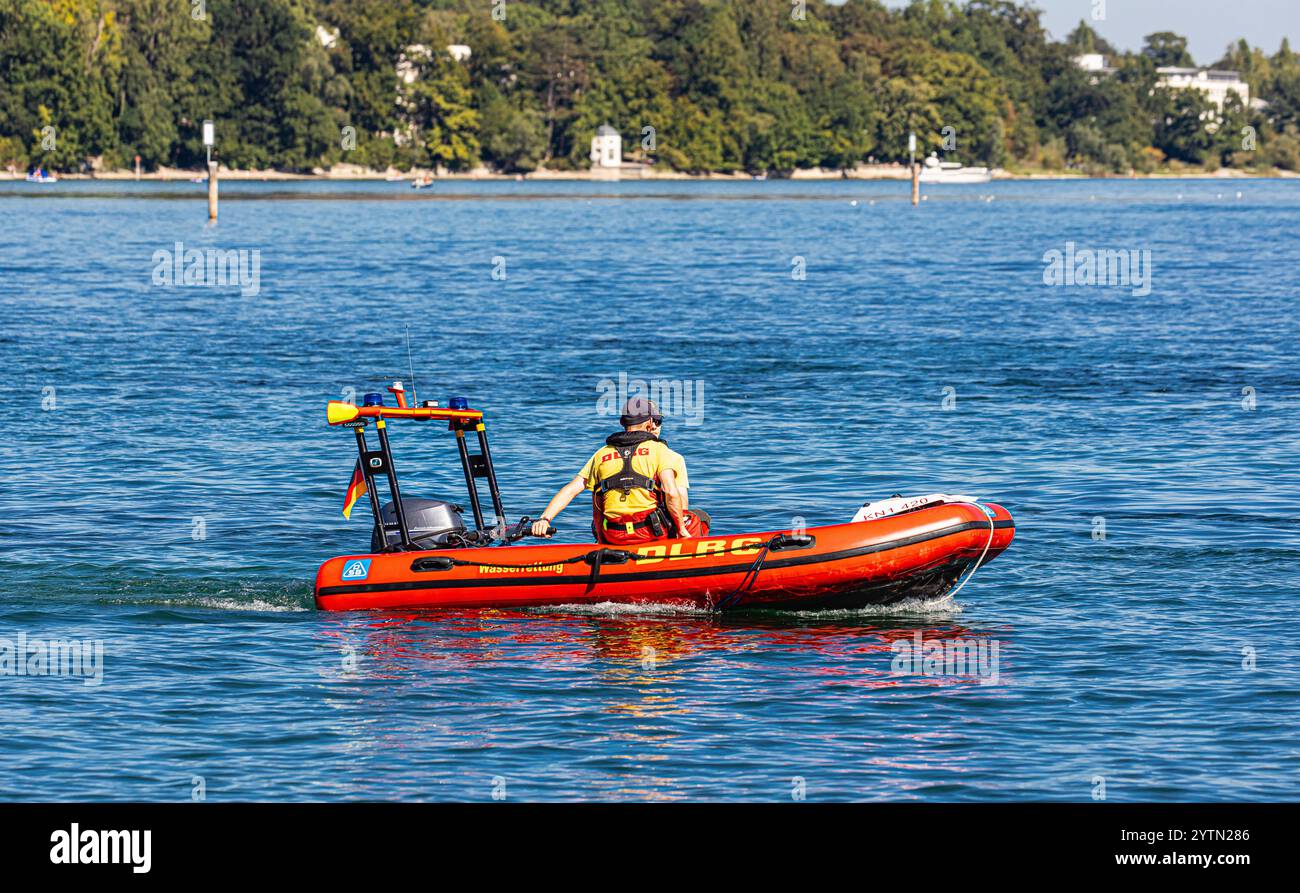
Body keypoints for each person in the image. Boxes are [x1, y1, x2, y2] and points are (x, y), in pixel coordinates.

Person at [531, 398, 709, 544]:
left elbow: (570, 490)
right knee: (699, 518)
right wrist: (682, 531)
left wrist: (544, 519)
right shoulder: (660, 451)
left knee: (598, 518)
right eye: (657, 421)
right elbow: (671, 492)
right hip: (650, 533)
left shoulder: (601, 454)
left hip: (613, 536)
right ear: (650, 423)